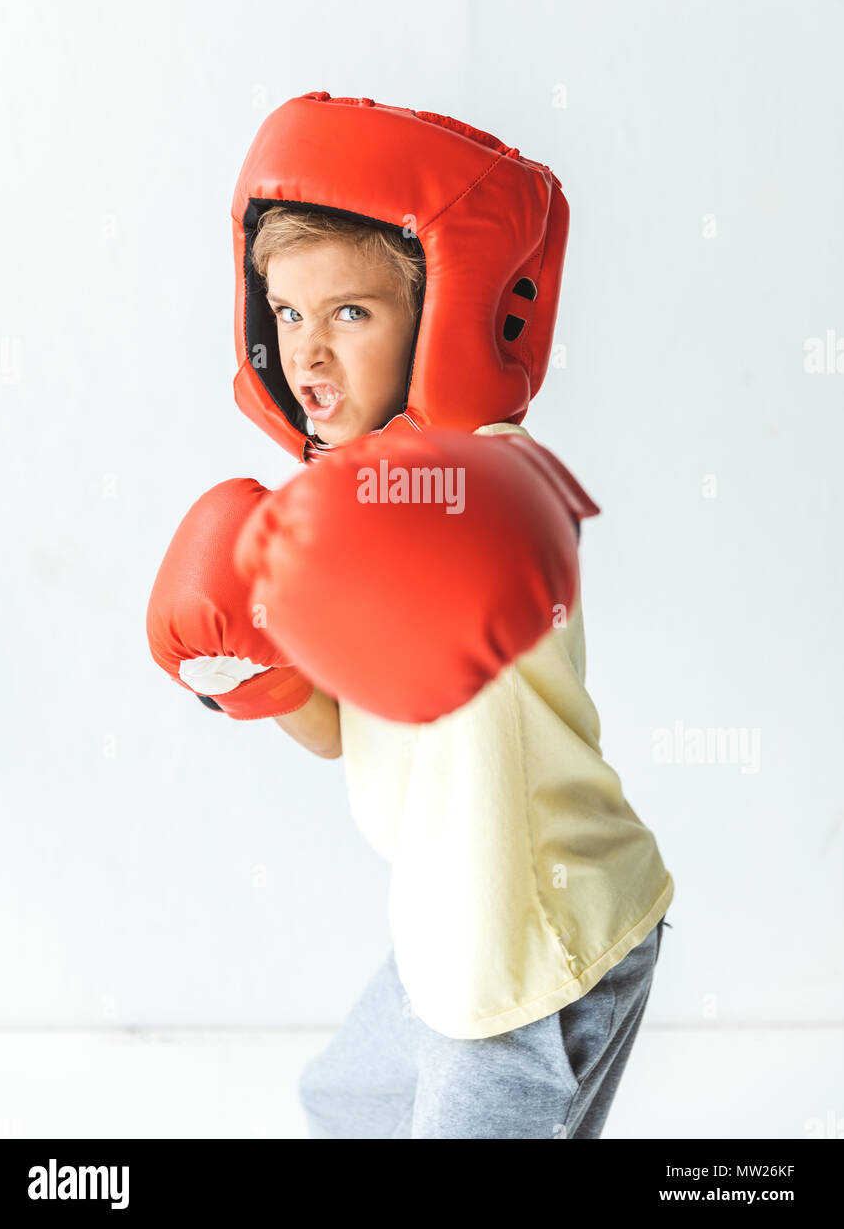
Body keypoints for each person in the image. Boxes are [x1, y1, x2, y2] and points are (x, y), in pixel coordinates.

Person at [147, 93, 675, 1139]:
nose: (306, 353)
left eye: (350, 312)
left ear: (436, 318)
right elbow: (340, 727)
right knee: (342, 1102)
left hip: (529, 956)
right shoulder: (334, 505)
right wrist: (260, 677)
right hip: (443, 918)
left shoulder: (487, 473)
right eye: (287, 313)